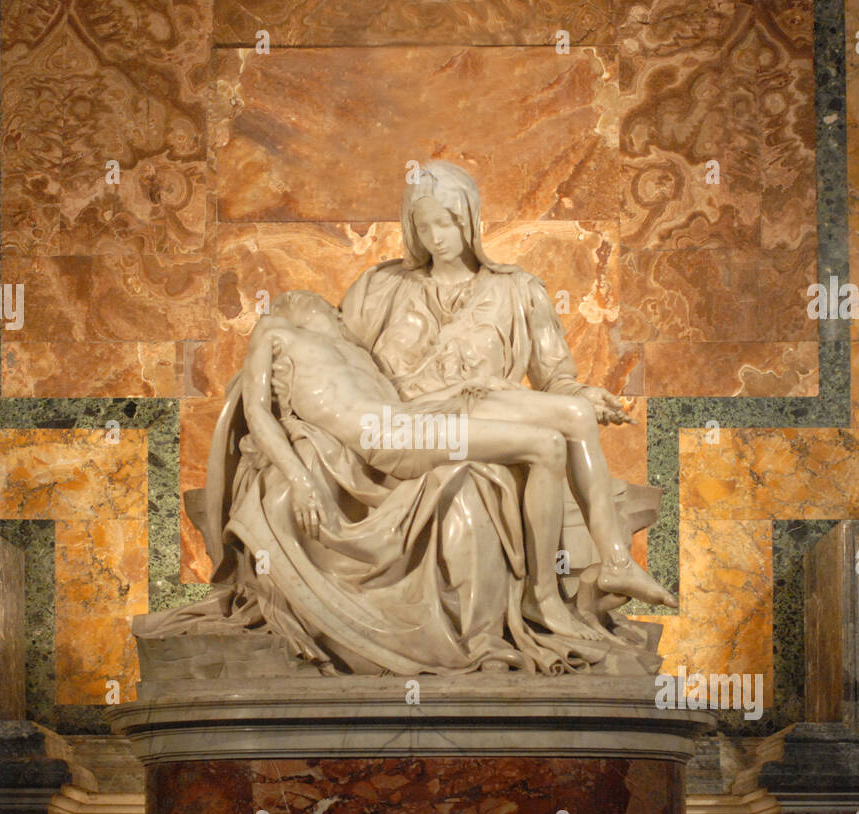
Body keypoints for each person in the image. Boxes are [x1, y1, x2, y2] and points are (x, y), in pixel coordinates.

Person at [341, 160, 677, 608]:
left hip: (479, 408)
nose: (436, 237)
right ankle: (564, 588)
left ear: (469, 221)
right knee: (541, 438)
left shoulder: (519, 290)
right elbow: (335, 357)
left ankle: (616, 563)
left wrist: (583, 393)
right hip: (409, 424)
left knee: (575, 412)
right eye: (424, 226)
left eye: (445, 222)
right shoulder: (381, 287)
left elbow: (554, 377)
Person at [243, 289, 613, 644]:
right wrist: (300, 479)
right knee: (544, 446)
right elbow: (256, 409)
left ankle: (613, 562)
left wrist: (470, 385)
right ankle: (544, 598)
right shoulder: (275, 329)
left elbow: (397, 408)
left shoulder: (357, 354)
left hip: (406, 422)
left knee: (564, 422)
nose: (338, 315)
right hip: (384, 436)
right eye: (329, 308)